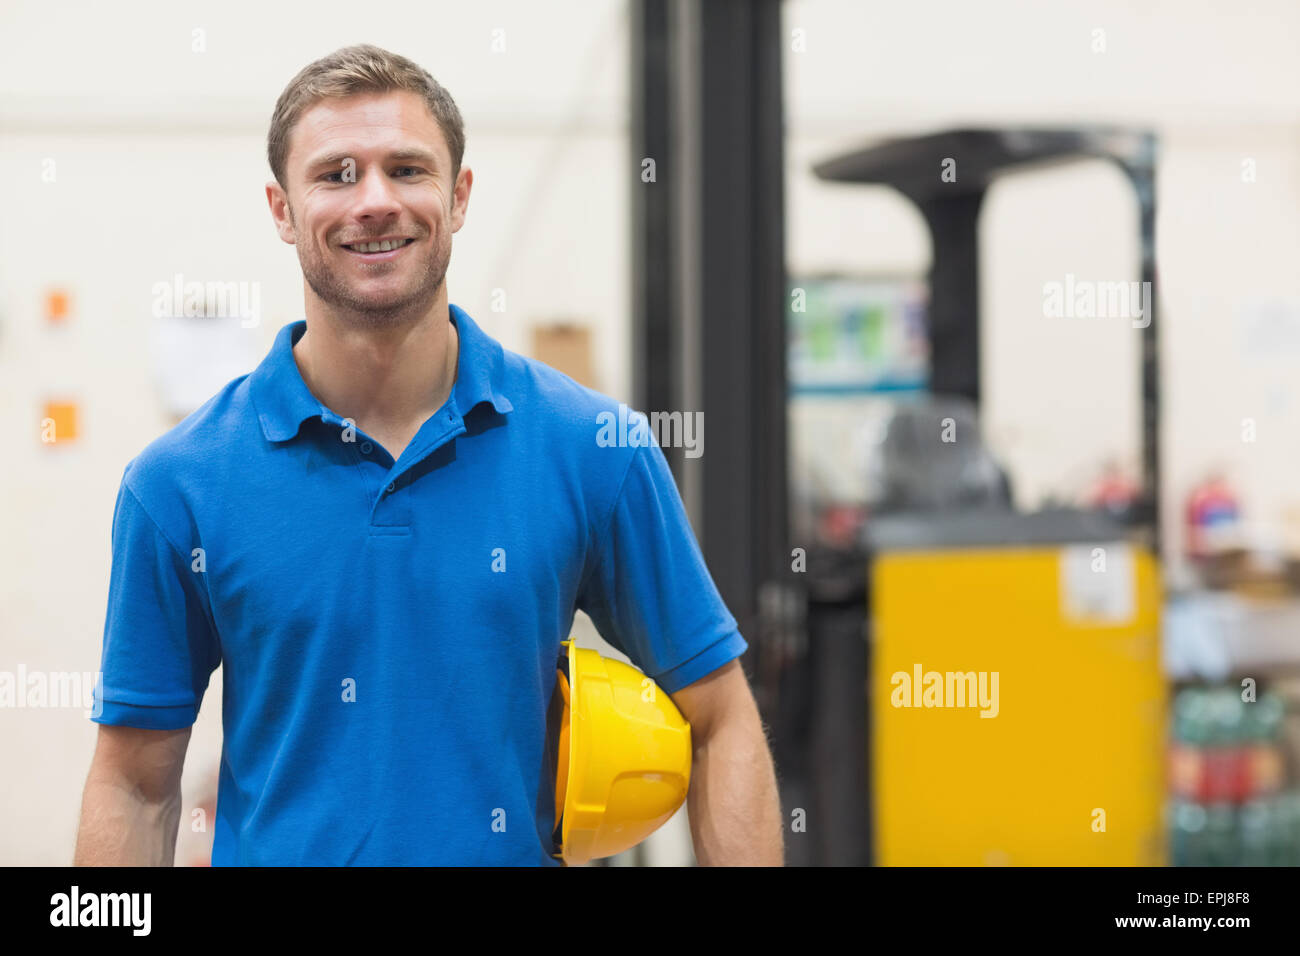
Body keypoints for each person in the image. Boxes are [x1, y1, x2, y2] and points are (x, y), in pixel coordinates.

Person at [74, 44, 782, 866]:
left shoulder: (593, 447)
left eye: (407, 169)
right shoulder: (180, 486)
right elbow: (134, 783)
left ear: (460, 194)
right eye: (336, 174)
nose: (374, 201)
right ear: (281, 208)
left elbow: (721, 720)